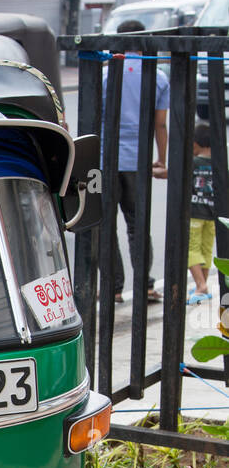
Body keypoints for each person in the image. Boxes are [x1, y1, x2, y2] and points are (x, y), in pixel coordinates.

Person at [102, 18, 168, 304]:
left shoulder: (105, 75)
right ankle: (145, 286)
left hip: (105, 160)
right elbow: (160, 125)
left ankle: (113, 288)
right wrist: (161, 160)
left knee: (105, 226)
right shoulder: (158, 76)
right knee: (137, 225)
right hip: (138, 161)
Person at [188, 121, 215, 304]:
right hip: (213, 215)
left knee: (191, 249)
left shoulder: (194, 162)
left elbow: (174, 175)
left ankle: (200, 285)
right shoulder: (220, 162)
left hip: (195, 213)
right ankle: (203, 284)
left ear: (196, 143)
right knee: (206, 250)